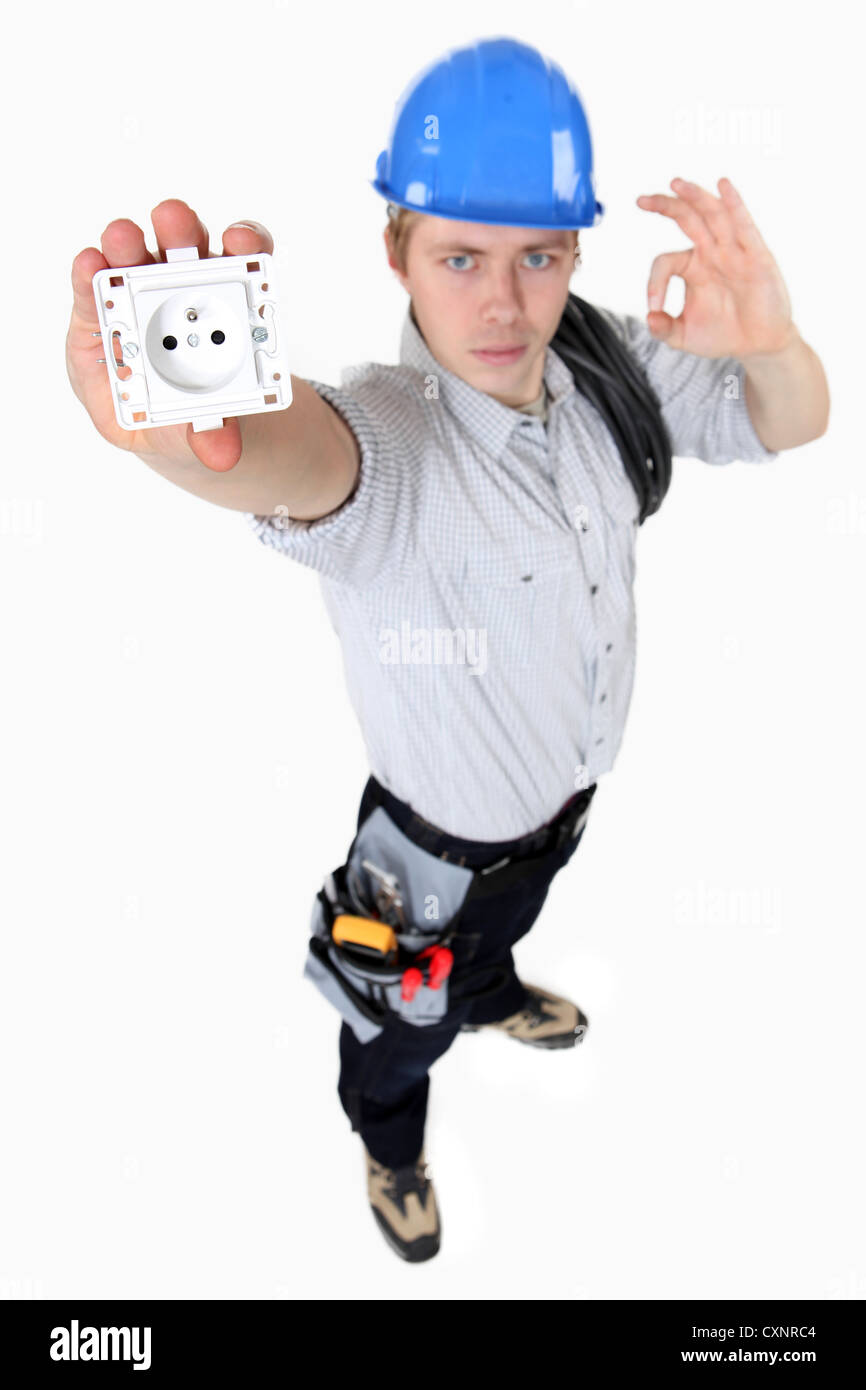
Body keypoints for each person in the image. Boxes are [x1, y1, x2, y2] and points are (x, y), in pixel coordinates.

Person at [66, 36, 829, 1265]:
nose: (501, 302)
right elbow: (297, 453)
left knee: (502, 924)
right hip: (425, 859)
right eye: (459, 257)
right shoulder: (393, 442)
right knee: (388, 1034)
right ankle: (389, 1143)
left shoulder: (605, 361)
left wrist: (773, 343)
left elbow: (782, 420)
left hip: (557, 817)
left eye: (536, 256)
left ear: (573, 251)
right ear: (395, 250)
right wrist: (173, 431)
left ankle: (485, 987)